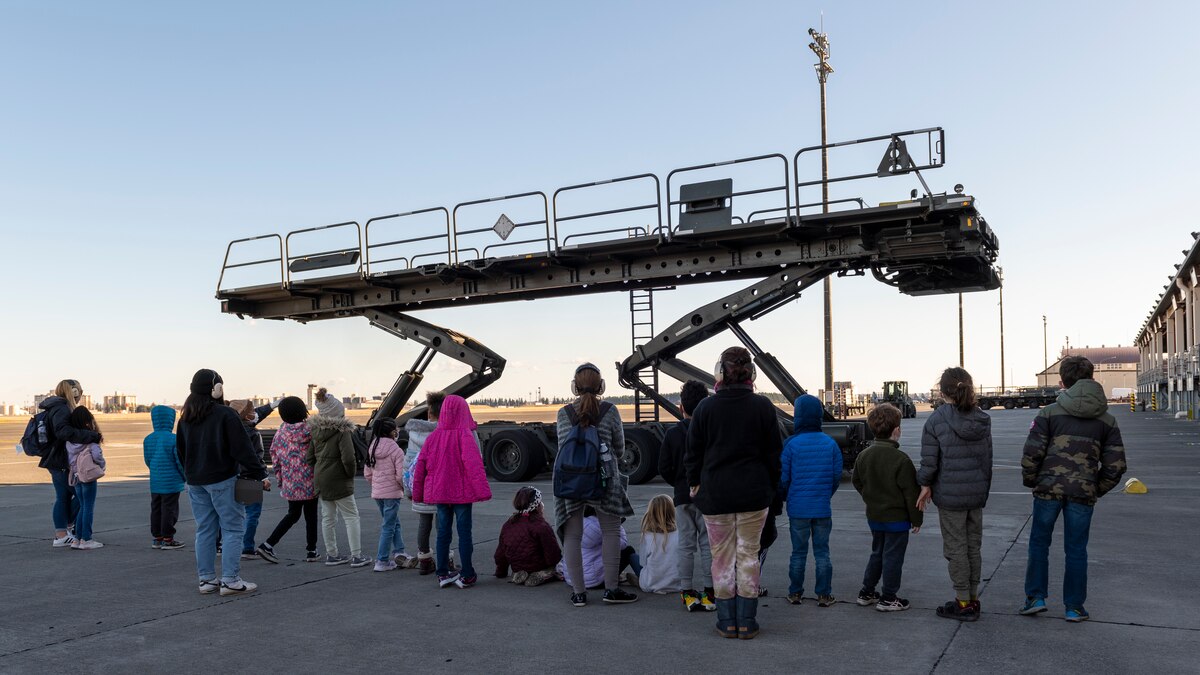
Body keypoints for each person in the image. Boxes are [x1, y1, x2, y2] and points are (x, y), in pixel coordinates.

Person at [1019, 356, 1126, 623]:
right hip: (1082, 493)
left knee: (1039, 544)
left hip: (1047, 491)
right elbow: (1116, 465)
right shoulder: (1107, 420)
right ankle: (1074, 607)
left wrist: (1034, 481)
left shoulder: (1048, 413)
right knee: (1076, 549)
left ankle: (1035, 597)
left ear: (1062, 382)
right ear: (1091, 378)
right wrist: (1095, 488)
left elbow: (1032, 453)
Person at [684, 346, 781, 639]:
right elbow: (774, 454)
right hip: (754, 495)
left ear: (720, 373)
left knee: (722, 559)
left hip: (716, 497)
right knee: (748, 556)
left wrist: (694, 484)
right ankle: (747, 622)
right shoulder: (763, 407)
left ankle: (726, 621)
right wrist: (771, 488)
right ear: (750, 373)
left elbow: (693, 454)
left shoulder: (705, 409)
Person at [177, 368, 268, 596]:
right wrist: (260, 474)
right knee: (233, 529)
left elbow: (181, 452)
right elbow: (243, 450)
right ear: (216, 389)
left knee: (205, 530)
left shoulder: (186, 418)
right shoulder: (225, 415)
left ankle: (206, 580)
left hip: (195, 482)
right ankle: (230, 580)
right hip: (222, 479)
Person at [555, 363, 638, 608]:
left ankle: (579, 594)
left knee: (572, 535)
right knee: (610, 531)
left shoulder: (563, 413)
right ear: (602, 386)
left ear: (574, 387)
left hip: (570, 481)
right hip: (604, 479)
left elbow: (562, 449)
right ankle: (611, 590)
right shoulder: (610, 411)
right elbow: (620, 449)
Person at [917, 367, 993, 622]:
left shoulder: (936, 420)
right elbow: (987, 459)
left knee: (956, 548)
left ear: (942, 390)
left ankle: (962, 602)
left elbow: (930, 461)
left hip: (950, 496)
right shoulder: (982, 419)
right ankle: (973, 597)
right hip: (975, 495)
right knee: (974, 547)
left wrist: (925, 484)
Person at [412, 395, 492, 589]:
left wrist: (418, 493)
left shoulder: (434, 437)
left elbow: (420, 466)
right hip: (461, 494)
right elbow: (473, 465)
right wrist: (482, 491)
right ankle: (467, 574)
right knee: (464, 534)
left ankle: (442, 573)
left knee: (443, 535)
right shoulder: (464, 435)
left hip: (440, 494)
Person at [852, 403, 923, 612]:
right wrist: (916, 519)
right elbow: (911, 493)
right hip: (897, 520)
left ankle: (867, 591)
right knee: (893, 556)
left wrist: (870, 497)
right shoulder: (901, 459)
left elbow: (857, 481)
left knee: (877, 552)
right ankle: (889, 597)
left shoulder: (864, 455)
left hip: (875, 516)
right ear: (897, 430)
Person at [658, 380, 716, 612]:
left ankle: (686, 590)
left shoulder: (672, 434)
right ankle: (710, 590)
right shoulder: (710, 432)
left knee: (685, 544)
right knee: (707, 544)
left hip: (682, 497)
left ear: (681, 407)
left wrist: (679, 484)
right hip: (707, 497)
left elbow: (664, 467)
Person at [779, 393, 843, 608]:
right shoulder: (830, 444)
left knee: (798, 553)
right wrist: (825, 495)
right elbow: (836, 477)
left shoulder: (791, 444)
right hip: (822, 508)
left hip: (798, 509)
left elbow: (784, 478)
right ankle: (824, 595)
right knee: (822, 552)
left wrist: (789, 497)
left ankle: (795, 593)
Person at [308, 391, 368, 568]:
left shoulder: (315, 431)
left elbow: (309, 457)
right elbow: (348, 458)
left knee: (328, 518)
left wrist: (319, 469)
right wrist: (349, 474)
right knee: (351, 517)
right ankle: (356, 556)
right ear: (337, 413)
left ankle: (332, 555)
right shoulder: (342, 431)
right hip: (339, 479)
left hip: (321, 478)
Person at [256, 396, 320, 563]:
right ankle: (311, 550)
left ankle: (269, 544)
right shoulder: (311, 430)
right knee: (311, 516)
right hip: (310, 482)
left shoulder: (280, 433)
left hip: (291, 483)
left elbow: (275, 459)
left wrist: (281, 480)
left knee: (292, 514)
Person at [37, 379, 99, 548]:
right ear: (73, 392)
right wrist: (90, 436)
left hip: (55, 460)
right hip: (60, 460)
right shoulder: (62, 408)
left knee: (63, 497)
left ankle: (62, 534)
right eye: (79, 391)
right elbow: (63, 431)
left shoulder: (56, 407)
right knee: (82, 495)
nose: (80, 394)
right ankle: (71, 532)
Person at [403, 391, 448, 575]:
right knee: (443, 525)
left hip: (420, 488)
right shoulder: (445, 433)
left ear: (429, 414)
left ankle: (424, 560)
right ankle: (446, 559)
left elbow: (408, 463)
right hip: (440, 487)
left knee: (424, 523)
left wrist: (407, 489)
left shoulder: (414, 434)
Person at [228, 399, 277, 561]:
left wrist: (272, 405)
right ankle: (247, 547)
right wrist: (263, 476)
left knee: (232, 515)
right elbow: (255, 459)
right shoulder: (253, 434)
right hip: (250, 478)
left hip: (232, 477)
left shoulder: (228, 430)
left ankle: (224, 544)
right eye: (252, 412)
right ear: (248, 416)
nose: (256, 414)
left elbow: (256, 415)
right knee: (252, 515)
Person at [364, 416, 412, 572]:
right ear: (392, 432)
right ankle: (382, 560)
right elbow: (400, 476)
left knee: (393, 523)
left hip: (378, 494)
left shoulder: (372, 447)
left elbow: (367, 473)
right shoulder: (396, 450)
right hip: (392, 494)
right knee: (388, 526)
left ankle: (399, 551)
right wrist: (404, 489)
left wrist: (377, 486)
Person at [555, 508, 640, 589]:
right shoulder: (600, 524)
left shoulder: (573, 522)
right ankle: (642, 577)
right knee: (628, 550)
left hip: (571, 579)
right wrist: (617, 526)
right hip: (594, 581)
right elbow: (622, 544)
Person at [494, 486, 562, 586]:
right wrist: (555, 564)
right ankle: (541, 575)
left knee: (520, 567)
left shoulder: (508, 524)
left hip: (517, 566)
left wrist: (501, 571)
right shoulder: (541, 526)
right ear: (538, 506)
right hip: (538, 565)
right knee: (556, 569)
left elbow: (500, 553)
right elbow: (552, 552)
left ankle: (519, 574)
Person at [143, 404, 186, 550]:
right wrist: (185, 476)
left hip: (155, 481)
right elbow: (179, 461)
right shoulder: (174, 439)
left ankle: (158, 537)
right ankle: (168, 538)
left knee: (156, 509)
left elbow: (147, 460)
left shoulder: (148, 439)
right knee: (170, 510)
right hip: (172, 481)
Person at [65, 407, 106, 550]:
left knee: (82, 506)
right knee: (88, 507)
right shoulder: (90, 438)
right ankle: (86, 539)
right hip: (87, 476)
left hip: (75, 476)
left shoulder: (69, 441)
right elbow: (97, 456)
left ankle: (77, 539)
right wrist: (102, 465)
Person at [638, 495, 683, 594]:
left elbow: (642, 562)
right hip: (677, 585)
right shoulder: (680, 534)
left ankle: (634, 579)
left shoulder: (647, 536)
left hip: (650, 585)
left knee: (632, 556)